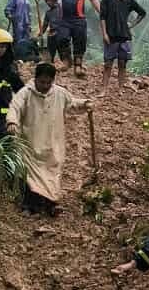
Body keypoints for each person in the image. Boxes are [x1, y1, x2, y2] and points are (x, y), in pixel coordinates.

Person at [5, 60, 88, 216]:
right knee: (31, 176)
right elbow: (15, 107)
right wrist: (12, 122)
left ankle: (51, 204)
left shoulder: (60, 93)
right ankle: (30, 206)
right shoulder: (25, 93)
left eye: (48, 83)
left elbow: (71, 104)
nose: (45, 86)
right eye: (42, 82)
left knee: (52, 174)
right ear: (35, 79)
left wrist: (85, 104)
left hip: (53, 143)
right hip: (31, 142)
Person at [40, 0, 98, 76]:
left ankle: (78, 66)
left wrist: (101, 12)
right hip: (64, 20)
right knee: (61, 39)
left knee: (79, 42)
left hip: (79, 20)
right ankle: (67, 61)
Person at [99, 0, 146, 89]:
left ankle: (120, 89)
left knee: (122, 64)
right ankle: (104, 90)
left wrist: (132, 24)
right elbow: (102, 17)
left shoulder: (128, 0)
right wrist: (104, 34)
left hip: (124, 36)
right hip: (111, 36)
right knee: (108, 64)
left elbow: (142, 13)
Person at [5, 0, 38, 69]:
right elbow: (8, 9)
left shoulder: (26, 0)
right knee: (18, 40)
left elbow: (29, 13)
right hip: (17, 22)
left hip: (26, 23)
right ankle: (18, 58)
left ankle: (25, 58)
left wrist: (30, 24)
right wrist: (9, 15)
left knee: (26, 41)